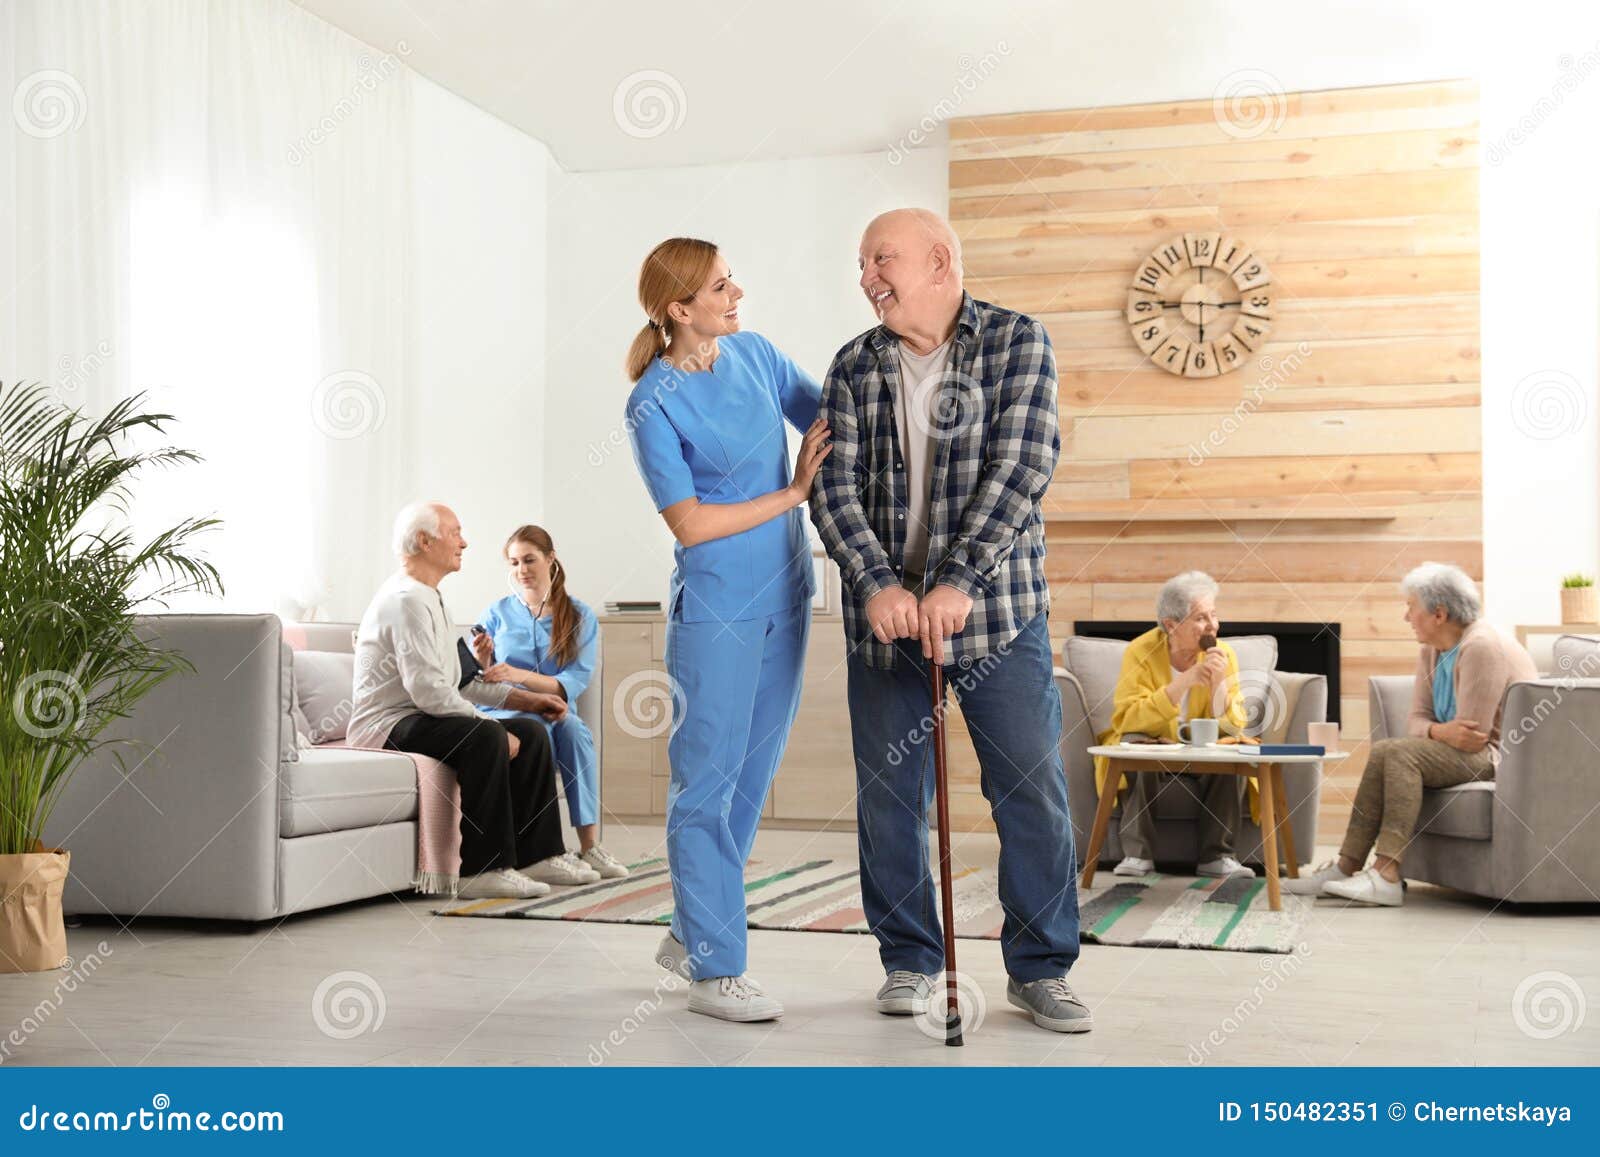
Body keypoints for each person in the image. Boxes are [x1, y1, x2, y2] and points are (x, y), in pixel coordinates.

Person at [811, 208, 1090, 1034]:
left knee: (1029, 790)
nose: (866, 276)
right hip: (887, 626)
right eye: (861, 262)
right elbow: (833, 487)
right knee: (890, 798)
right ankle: (909, 959)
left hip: (998, 615)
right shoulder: (854, 365)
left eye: (880, 259)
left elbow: (1022, 464)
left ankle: (1040, 968)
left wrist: (958, 581)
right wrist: (873, 583)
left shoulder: (1016, 342)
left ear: (939, 262)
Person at [623, 237, 832, 1023]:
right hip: (716, 607)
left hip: (787, 594)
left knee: (751, 775)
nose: (736, 292)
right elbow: (691, 522)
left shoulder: (756, 355)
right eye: (720, 285)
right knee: (705, 779)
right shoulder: (652, 400)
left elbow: (830, 420)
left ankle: (688, 930)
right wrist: (794, 494)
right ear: (680, 309)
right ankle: (716, 969)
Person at [347, 502, 574, 900]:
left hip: (422, 716)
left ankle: (538, 855)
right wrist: (489, 727)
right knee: (485, 737)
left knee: (531, 732)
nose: (464, 542)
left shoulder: (431, 598)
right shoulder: (406, 600)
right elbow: (430, 693)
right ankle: (482, 870)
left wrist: (531, 702)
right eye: (455, 533)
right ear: (424, 540)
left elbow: (463, 682)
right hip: (386, 725)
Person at [1289, 562, 1537, 906]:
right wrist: (1439, 730)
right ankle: (1346, 868)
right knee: (1384, 750)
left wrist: (1436, 732)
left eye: (1411, 608)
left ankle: (1387, 874)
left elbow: (1472, 736)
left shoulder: (1482, 646)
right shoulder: (1431, 649)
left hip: (1496, 756)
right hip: (1460, 751)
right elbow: (1417, 720)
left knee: (1400, 753)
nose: (1406, 617)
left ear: (1439, 613)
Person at [473, 524, 625, 883]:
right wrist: (485, 662)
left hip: (555, 710)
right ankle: (548, 852)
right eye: (514, 562)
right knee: (535, 730)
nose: (522, 569)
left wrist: (517, 674)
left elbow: (571, 681)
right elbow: (482, 677)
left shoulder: (579, 616)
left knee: (573, 730)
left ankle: (589, 846)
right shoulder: (497, 613)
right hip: (508, 709)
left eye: (529, 559)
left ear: (550, 559)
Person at [1093, 571, 1255, 880]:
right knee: (1132, 743)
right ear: (1171, 625)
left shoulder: (1224, 655)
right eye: (1201, 618)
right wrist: (1182, 684)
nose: (1213, 626)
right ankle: (1137, 855)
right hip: (1157, 745)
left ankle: (1217, 856)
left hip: (1202, 750)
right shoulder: (1140, 652)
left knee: (1234, 753)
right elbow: (1128, 718)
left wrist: (1218, 685)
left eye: (1214, 615)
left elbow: (1235, 727)